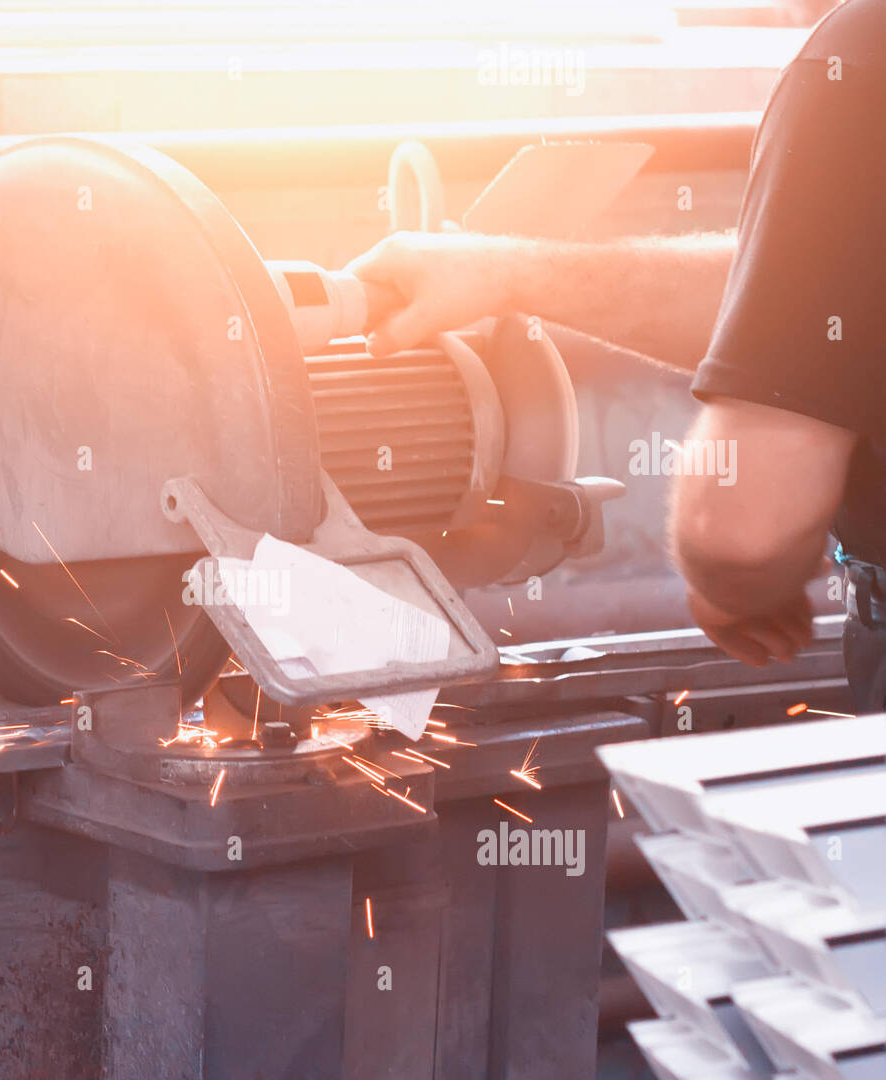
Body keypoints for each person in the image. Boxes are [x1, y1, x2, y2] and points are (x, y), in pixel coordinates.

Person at [347, 1, 886, 712]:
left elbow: (741, 530)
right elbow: (803, 302)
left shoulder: (862, 51)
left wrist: (727, 585)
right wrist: (505, 273)